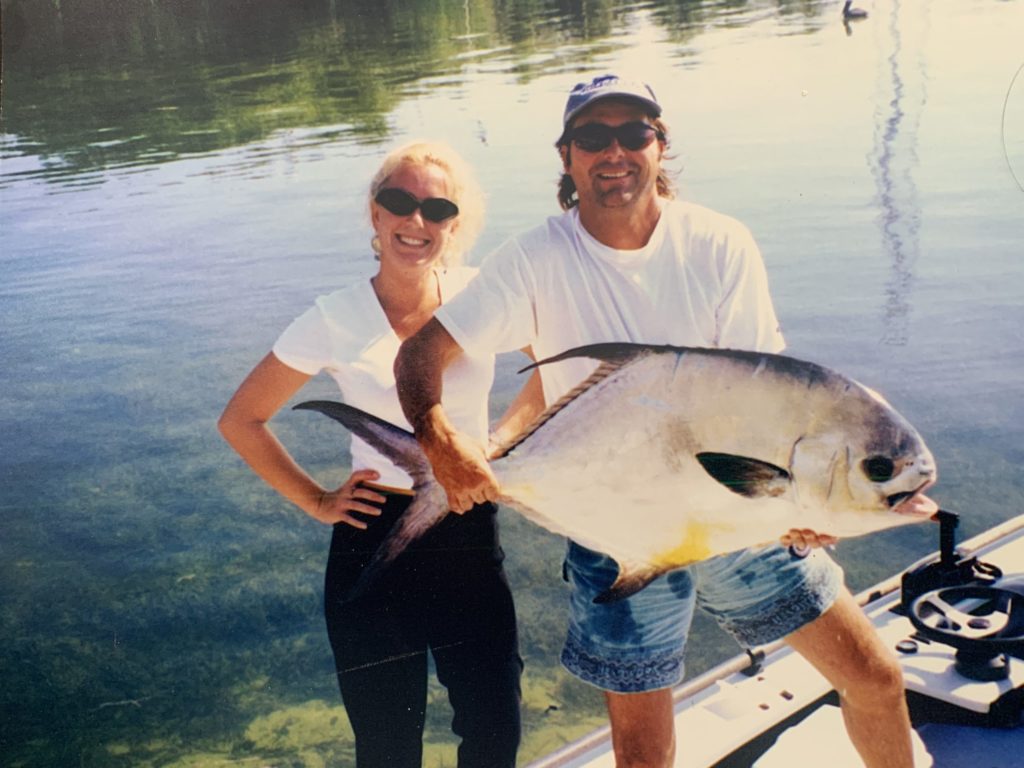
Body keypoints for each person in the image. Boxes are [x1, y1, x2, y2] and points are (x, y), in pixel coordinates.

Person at [394, 75, 937, 767]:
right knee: (643, 753)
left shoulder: (719, 243)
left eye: (633, 133)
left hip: (746, 520)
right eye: (594, 137)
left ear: (660, 145)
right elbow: (421, 354)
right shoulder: (533, 259)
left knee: (877, 680)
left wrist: (804, 508)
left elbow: (772, 408)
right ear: (566, 157)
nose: (614, 152)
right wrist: (438, 440)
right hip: (617, 526)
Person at [218, 141, 527, 768]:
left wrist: (497, 443)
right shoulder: (333, 318)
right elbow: (242, 420)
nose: (416, 221)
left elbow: (555, 367)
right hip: (372, 540)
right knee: (387, 750)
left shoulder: (481, 294)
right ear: (375, 213)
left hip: (467, 531)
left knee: (495, 733)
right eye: (399, 201)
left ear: (455, 224)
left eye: (437, 208)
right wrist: (316, 500)